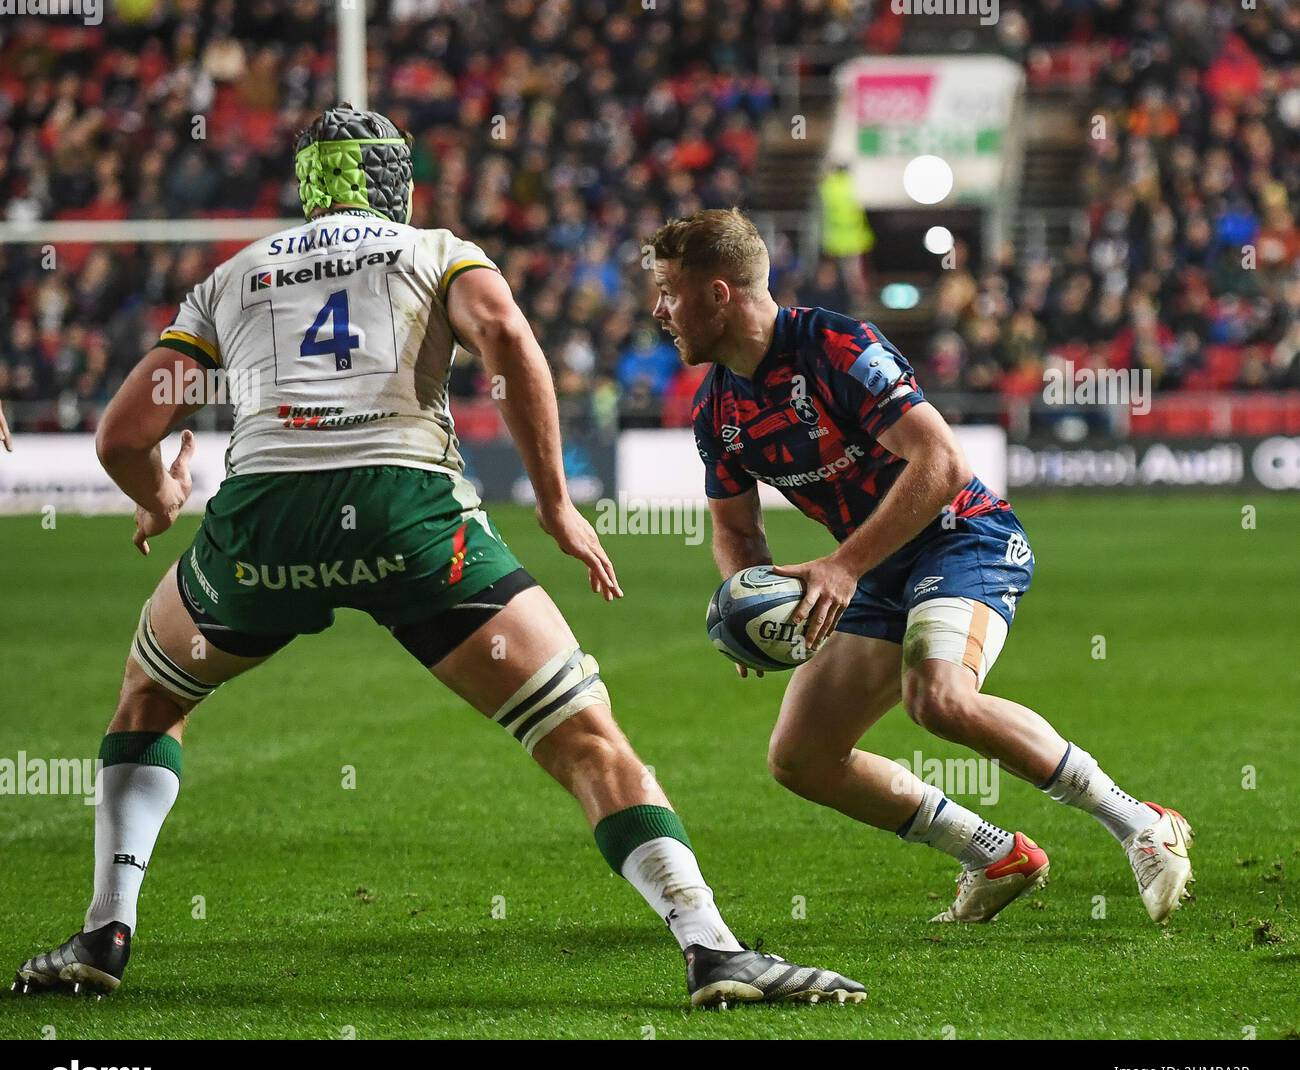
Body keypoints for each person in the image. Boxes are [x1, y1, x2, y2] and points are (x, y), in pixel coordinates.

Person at [11, 109, 865, 1010]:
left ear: (307, 186)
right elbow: (509, 342)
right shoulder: (436, 253)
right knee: (581, 736)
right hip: (409, 519)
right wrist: (555, 504)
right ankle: (711, 948)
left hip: (263, 528)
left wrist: (158, 495)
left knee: (150, 698)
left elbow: (123, 434)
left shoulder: (233, 276)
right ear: (398, 183)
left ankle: (105, 931)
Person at [651, 208, 1194, 926]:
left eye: (669, 291)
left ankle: (1141, 823)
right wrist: (747, 603)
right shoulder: (717, 410)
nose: (659, 311)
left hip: (961, 537)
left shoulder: (837, 347)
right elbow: (735, 527)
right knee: (800, 757)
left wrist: (843, 566)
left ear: (719, 293)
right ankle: (993, 854)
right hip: (875, 568)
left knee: (937, 698)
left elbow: (940, 461)